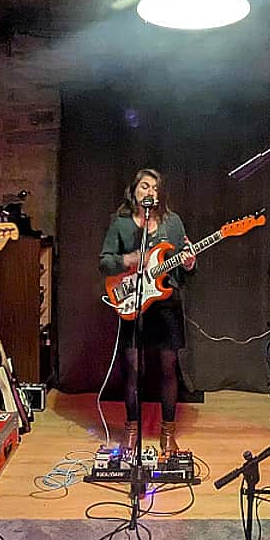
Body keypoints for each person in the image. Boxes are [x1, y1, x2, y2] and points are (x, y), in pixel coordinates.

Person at [99, 168, 195, 455]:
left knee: (168, 367)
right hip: (133, 301)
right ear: (134, 191)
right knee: (132, 368)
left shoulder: (173, 223)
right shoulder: (121, 223)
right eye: (144, 186)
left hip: (165, 302)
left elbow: (183, 267)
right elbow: (105, 263)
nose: (149, 191)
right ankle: (131, 430)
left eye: (154, 187)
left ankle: (167, 433)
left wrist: (189, 263)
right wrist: (128, 259)